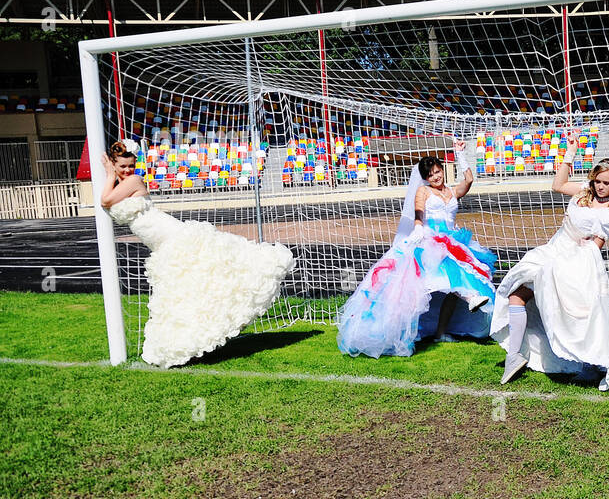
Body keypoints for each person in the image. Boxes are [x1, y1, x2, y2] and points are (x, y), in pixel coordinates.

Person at [99, 138, 295, 368]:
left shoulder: (133, 180)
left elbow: (105, 200)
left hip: (173, 236)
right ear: (115, 163)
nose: (127, 170)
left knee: (206, 278)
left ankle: (207, 331)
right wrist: (111, 174)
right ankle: (189, 342)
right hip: (163, 246)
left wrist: (110, 173)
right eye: (122, 166)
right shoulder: (123, 183)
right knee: (185, 293)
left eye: (130, 165)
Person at [490, 132, 609, 391]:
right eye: (597, 181)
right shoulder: (582, 191)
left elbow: (594, 248)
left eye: (606, 183)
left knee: (578, 318)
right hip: (552, 251)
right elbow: (558, 185)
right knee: (516, 294)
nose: (600, 186)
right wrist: (570, 152)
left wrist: (571, 261)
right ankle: (514, 356)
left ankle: (590, 363)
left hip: (576, 264)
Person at [337, 141, 496, 357]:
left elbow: (469, 180)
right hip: (431, 239)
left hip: (453, 239)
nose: (436, 177)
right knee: (420, 284)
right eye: (431, 175)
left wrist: (459, 154)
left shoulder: (451, 192)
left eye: (438, 172)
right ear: (426, 178)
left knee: (452, 283)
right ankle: (407, 328)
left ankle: (441, 331)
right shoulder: (423, 191)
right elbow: (419, 213)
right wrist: (419, 230)